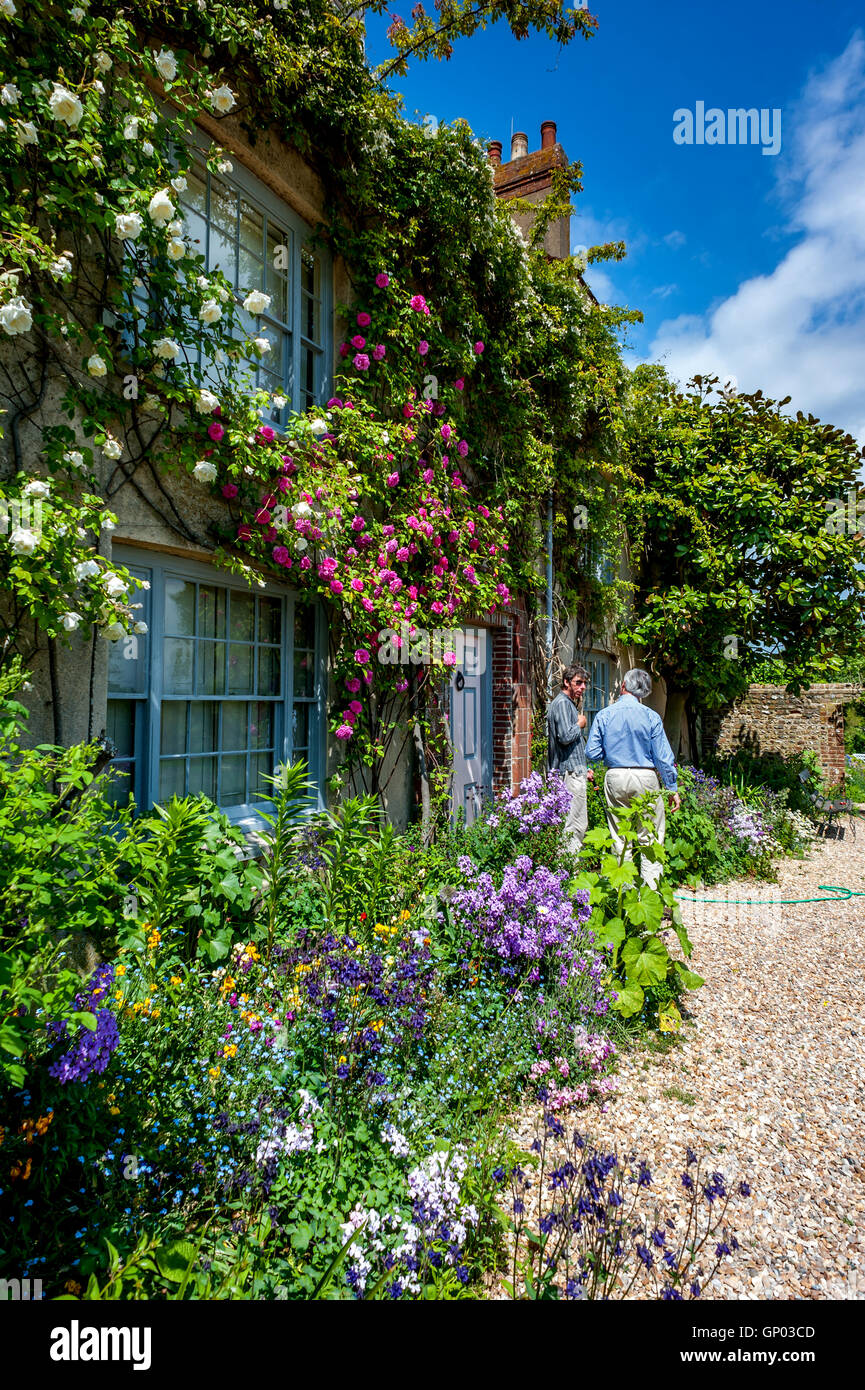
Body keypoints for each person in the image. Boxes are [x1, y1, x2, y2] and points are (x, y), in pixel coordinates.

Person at [584, 668, 680, 890]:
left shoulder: (605, 715)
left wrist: (610, 753)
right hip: (645, 776)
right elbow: (663, 758)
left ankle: (623, 895)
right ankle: (650, 893)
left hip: (615, 775)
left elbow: (592, 753)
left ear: (623, 686)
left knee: (619, 837)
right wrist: (671, 787)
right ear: (644, 693)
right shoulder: (651, 717)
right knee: (650, 837)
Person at [547, 664, 595, 856]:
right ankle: (568, 873)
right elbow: (565, 737)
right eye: (578, 682)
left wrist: (584, 768)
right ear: (566, 682)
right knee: (573, 825)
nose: (582, 687)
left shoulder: (567, 704)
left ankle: (569, 872)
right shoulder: (561, 703)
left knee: (578, 823)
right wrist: (580, 723)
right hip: (568, 773)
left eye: (584, 683)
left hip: (575, 770)